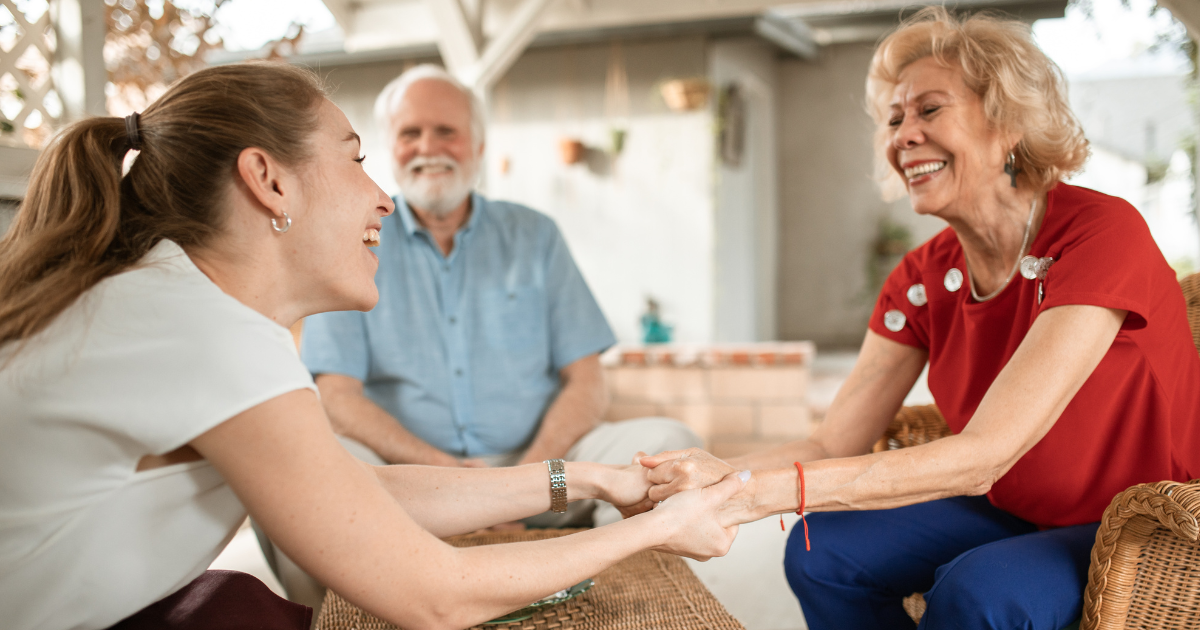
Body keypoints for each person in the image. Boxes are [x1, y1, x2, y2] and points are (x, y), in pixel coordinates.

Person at [0, 62, 747, 630]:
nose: (382, 195)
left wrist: (584, 479)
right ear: (268, 181)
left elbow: (352, 497)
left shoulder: (177, 305)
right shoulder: (205, 334)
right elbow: (434, 593)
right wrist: (653, 528)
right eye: (357, 158)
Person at [638, 9, 1200, 630]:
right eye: (895, 117)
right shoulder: (922, 275)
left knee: (979, 592)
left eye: (929, 110)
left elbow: (986, 453)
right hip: (1011, 502)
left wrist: (750, 496)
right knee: (822, 554)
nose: (902, 135)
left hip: (1137, 521)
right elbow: (832, 441)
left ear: (1008, 124)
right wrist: (709, 475)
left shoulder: (1100, 233)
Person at [299, 64, 701, 528]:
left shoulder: (535, 235)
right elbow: (336, 395)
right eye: (411, 133)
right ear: (391, 147)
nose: (428, 147)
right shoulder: (354, 241)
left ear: (479, 146)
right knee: (306, 470)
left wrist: (528, 481)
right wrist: (450, 474)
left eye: (446, 131)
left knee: (669, 443)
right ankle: (343, 604)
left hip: (548, 473)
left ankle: (617, 591)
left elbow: (588, 380)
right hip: (413, 480)